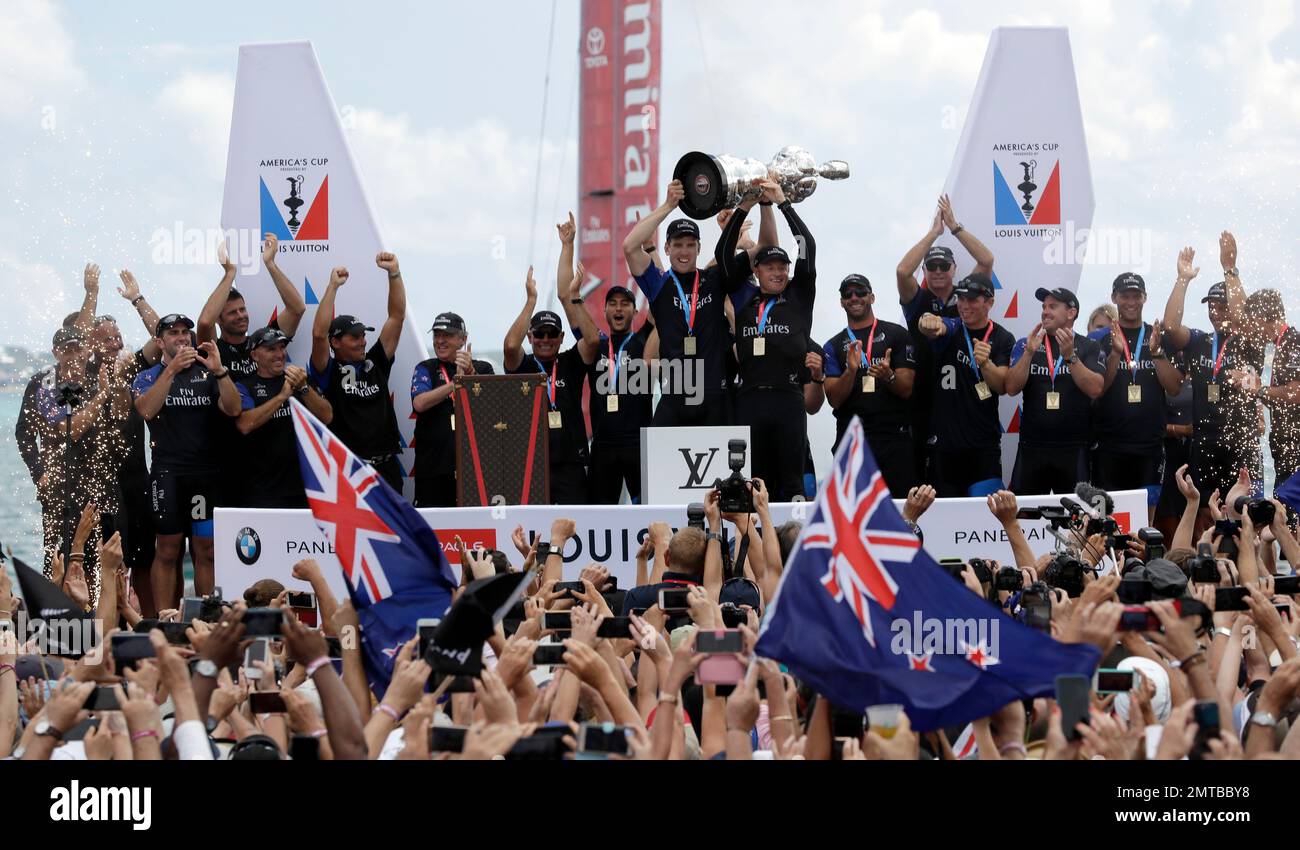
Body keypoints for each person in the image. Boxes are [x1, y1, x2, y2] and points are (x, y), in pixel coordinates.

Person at [621, 180, 755, 425]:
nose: (684, 252)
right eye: (678, 245)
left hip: (715, 395)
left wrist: (735, 227)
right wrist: (668, 206)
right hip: (674, 396)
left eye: (690, 245)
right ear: (667, 248)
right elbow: (629, 246)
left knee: (727, 463)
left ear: (698, 247)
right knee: (658, 459)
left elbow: (758, 252)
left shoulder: (713, 278)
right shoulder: (659, 283)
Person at [131, 314, 242, 609]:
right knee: (168, 550)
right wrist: (170, 372)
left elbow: (233, 409)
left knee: (206, 550)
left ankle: (209, 616)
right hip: (168, 474)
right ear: (160, 342)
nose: (182, 338)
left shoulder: (206, 372)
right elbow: (146, 410)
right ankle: (166, 617)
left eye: (185, 333)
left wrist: (220, 371)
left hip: (205, 475)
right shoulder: (148, 376)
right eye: (174, 333)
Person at [720, 182, 819, 501]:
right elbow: (723, 256)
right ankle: (757, 550)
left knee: (792, 488)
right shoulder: (745, 296)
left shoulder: (798, 295)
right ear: (756, 270)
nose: (777, 273)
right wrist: (745, 206)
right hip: (750, 400)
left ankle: (792, 548)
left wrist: (783, 203)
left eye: (782, 267)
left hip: (789, 399)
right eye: (769, 267)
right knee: (753, 488)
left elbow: (808, 245)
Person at [198, 237, 307, 508]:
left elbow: (297, 308)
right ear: (221, 320)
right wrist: (230, 274)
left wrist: (270, 264)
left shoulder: (261, 342)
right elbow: (203, 322)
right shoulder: (215, 347)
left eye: (243, 309)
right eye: (232, 312)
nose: (240, 316)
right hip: (226, 452)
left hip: (269, 455)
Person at [555, 213, 654, 504]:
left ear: (635, 312)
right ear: (607, 311)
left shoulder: (644, 340)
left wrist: (648, 249)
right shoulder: (594, 342)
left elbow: (661, 295)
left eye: (626, 304)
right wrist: (567, 245)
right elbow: (565, 296)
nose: (619, 309)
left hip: (639, 444)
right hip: (603, 444)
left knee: (646, 514)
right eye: (613, 304)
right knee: (599, 514)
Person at [896, 195, 995, 486]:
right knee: (932, 478)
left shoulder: (966, 294)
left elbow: (986, 260)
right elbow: (903, 271)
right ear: (925, 271)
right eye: (932, 267)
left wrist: (954, 227)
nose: (938, 272)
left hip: (964, 385)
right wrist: (933, 233)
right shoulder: (918, 298)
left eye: (944, 267)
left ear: (954, 270)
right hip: (926, 390)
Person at [1161, 237, 1263, 519]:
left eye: (1222, 306)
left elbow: (1244, 319)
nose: (1215, 312)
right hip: (1205, 438)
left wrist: (1229, 269)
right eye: (1211, 306)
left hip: (1240, 438)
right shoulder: (1199, 341)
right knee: (1205, 511)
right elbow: (1170, 326)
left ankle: (1245, 562)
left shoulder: (1248, 341)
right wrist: (1183, 279)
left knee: (1245, 513)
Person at [309, 254, 407, 492]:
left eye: (364, 335)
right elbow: (318, 334)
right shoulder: (327, 370)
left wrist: (394, 274)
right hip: (349, 473)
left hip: (387, 470)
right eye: (355, 336)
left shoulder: (376, 363)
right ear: (336, 342)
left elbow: (396, 317)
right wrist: (332, 287)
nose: (363, 341)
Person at [1092, 272, 1184, 515]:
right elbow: (1098, 390)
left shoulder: (1159, 337)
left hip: (1149, 447)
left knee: (1146, 523)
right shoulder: (1101, 339)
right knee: (1107, 522)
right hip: (1109, 446)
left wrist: (1156, 354)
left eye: (1136, 296)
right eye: (1125, 296)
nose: (1131, 302)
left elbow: (1174, 387)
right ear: (1114, 298)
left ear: (1144, 298)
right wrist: (1114, 353)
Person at [916, 274, 1015, 497]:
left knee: (984, 517)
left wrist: (985, 363)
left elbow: (1002, 386)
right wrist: (926, 321)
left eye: (972, 300)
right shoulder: (953, 325)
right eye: (961, 299)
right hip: (944, 447)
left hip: (983, 448)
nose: (964, 305)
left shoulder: (1002, 338)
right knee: (945, 519)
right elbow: (934, 327)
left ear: (989, 303)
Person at [822, 274, 917, 497]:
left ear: (872, 297)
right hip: (852, 441)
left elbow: (906, 389)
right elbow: (834, 399)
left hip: (894, 439)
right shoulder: (833, 345)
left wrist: (889, 376)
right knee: (854, 518)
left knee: (901, 513)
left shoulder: (897, 335)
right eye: (848, 294)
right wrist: (851, 370)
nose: (854, 297)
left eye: (860, 292)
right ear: (842, 302)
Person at [1003, 288, 1104, 495]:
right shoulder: (1027, 343)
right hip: (1032, 447)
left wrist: (1070, 357)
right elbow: (1011, 388)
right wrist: (1029, 353)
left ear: (1071, 313)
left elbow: (1095, 389)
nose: (1045, 312)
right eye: (1044, 307)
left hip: (1073, 448)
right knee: (1026, 517)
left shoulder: (1089, 346)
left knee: (1074, 518)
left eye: (1052, 306)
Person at [503, 267, 591, 504]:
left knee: (574, 525)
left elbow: (592, 341)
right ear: (530, 337)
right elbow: (511, 346)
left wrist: (575, 298)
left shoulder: (570, 361)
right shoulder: (524, 365)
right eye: (539, 334)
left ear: (561, 337)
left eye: (551, 334)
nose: (545, 340)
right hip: (531, 463)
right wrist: (531, 301)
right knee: (534, 530)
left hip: (571, 464)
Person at [236, 327, 334, 508]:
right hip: (263, 489)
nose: (279, 354)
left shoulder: (299, 379)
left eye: (282, 347)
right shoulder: (244, 385)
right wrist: (281, 397)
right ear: (255, 355)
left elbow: (327, 416)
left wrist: (304, 389)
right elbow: (245, 424)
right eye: (271, 349)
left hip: (306, 486)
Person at [410, 312, 494, 508]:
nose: (440, 341)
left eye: (446, 335)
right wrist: (456, 384)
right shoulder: (425, 368)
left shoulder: (483, 368)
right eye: (436, 335)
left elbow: (493, 408)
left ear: (463, 339)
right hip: (433, 470)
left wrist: (471, 375)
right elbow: (419, 403)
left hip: (475, 469)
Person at [1233, 288, 1300, 499]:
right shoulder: (1279, 345)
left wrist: (1259, 389)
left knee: (1287, 520)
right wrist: (1255, 388)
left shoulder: (1292, 341)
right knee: (1284, 519)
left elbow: (1296, 393)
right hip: (1284, 448)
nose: (1253, 329)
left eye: (1253, 321)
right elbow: (1283, 401)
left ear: (1262, 317)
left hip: (1295, 448)